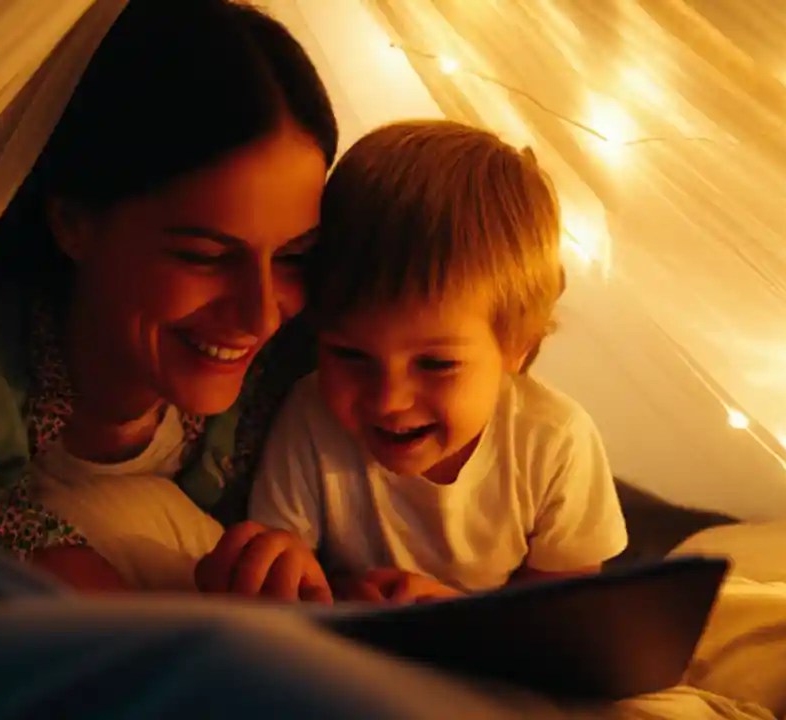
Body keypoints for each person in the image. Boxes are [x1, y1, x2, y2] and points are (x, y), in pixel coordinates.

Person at [0, 0, 337, 595]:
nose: (259, 312)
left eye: (294, 257)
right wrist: (30, 551)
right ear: (75, 223)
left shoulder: (294, 394)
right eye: (204, 255)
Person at [233, 121, 628, 603]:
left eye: (436, 364)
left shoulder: (555, 442)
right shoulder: (310, 419)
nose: (388, 399)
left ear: (517, 344)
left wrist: (453, 623)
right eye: (350, 354)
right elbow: (278, 566)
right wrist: (323, 591)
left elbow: (563, 614)